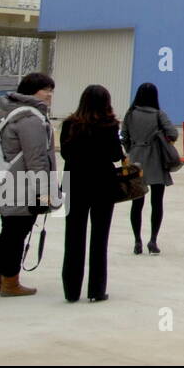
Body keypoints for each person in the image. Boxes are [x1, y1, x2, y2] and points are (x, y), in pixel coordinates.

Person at [0, 72, 57, 298]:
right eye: (46, 90)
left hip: (9, 182)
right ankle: (10, 282)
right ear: (32, 91)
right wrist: (44, 192)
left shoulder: (12, 113)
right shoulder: (30, 119)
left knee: (8, 231)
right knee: (16, 233)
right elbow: (36, 158)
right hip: (23, 186)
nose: (50, 96)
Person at [60, 85, 123, 303]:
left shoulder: (70, 123)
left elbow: (65, 153)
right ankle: (96, 290)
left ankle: (71, 290)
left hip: (74, 181)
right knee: (99, 237)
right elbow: (116, 155)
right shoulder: (110, 125)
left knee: (73, 236)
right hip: (102, 183)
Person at [122, 82, 179, 255]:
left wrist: (131, 150)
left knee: (136, 202)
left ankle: (137, 240)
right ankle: (153, 239)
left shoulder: (130, 114)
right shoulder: (159, 114)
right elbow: (173, 133)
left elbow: (123, 136)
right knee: (157, 202)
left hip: (136, 159)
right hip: (155, 160)